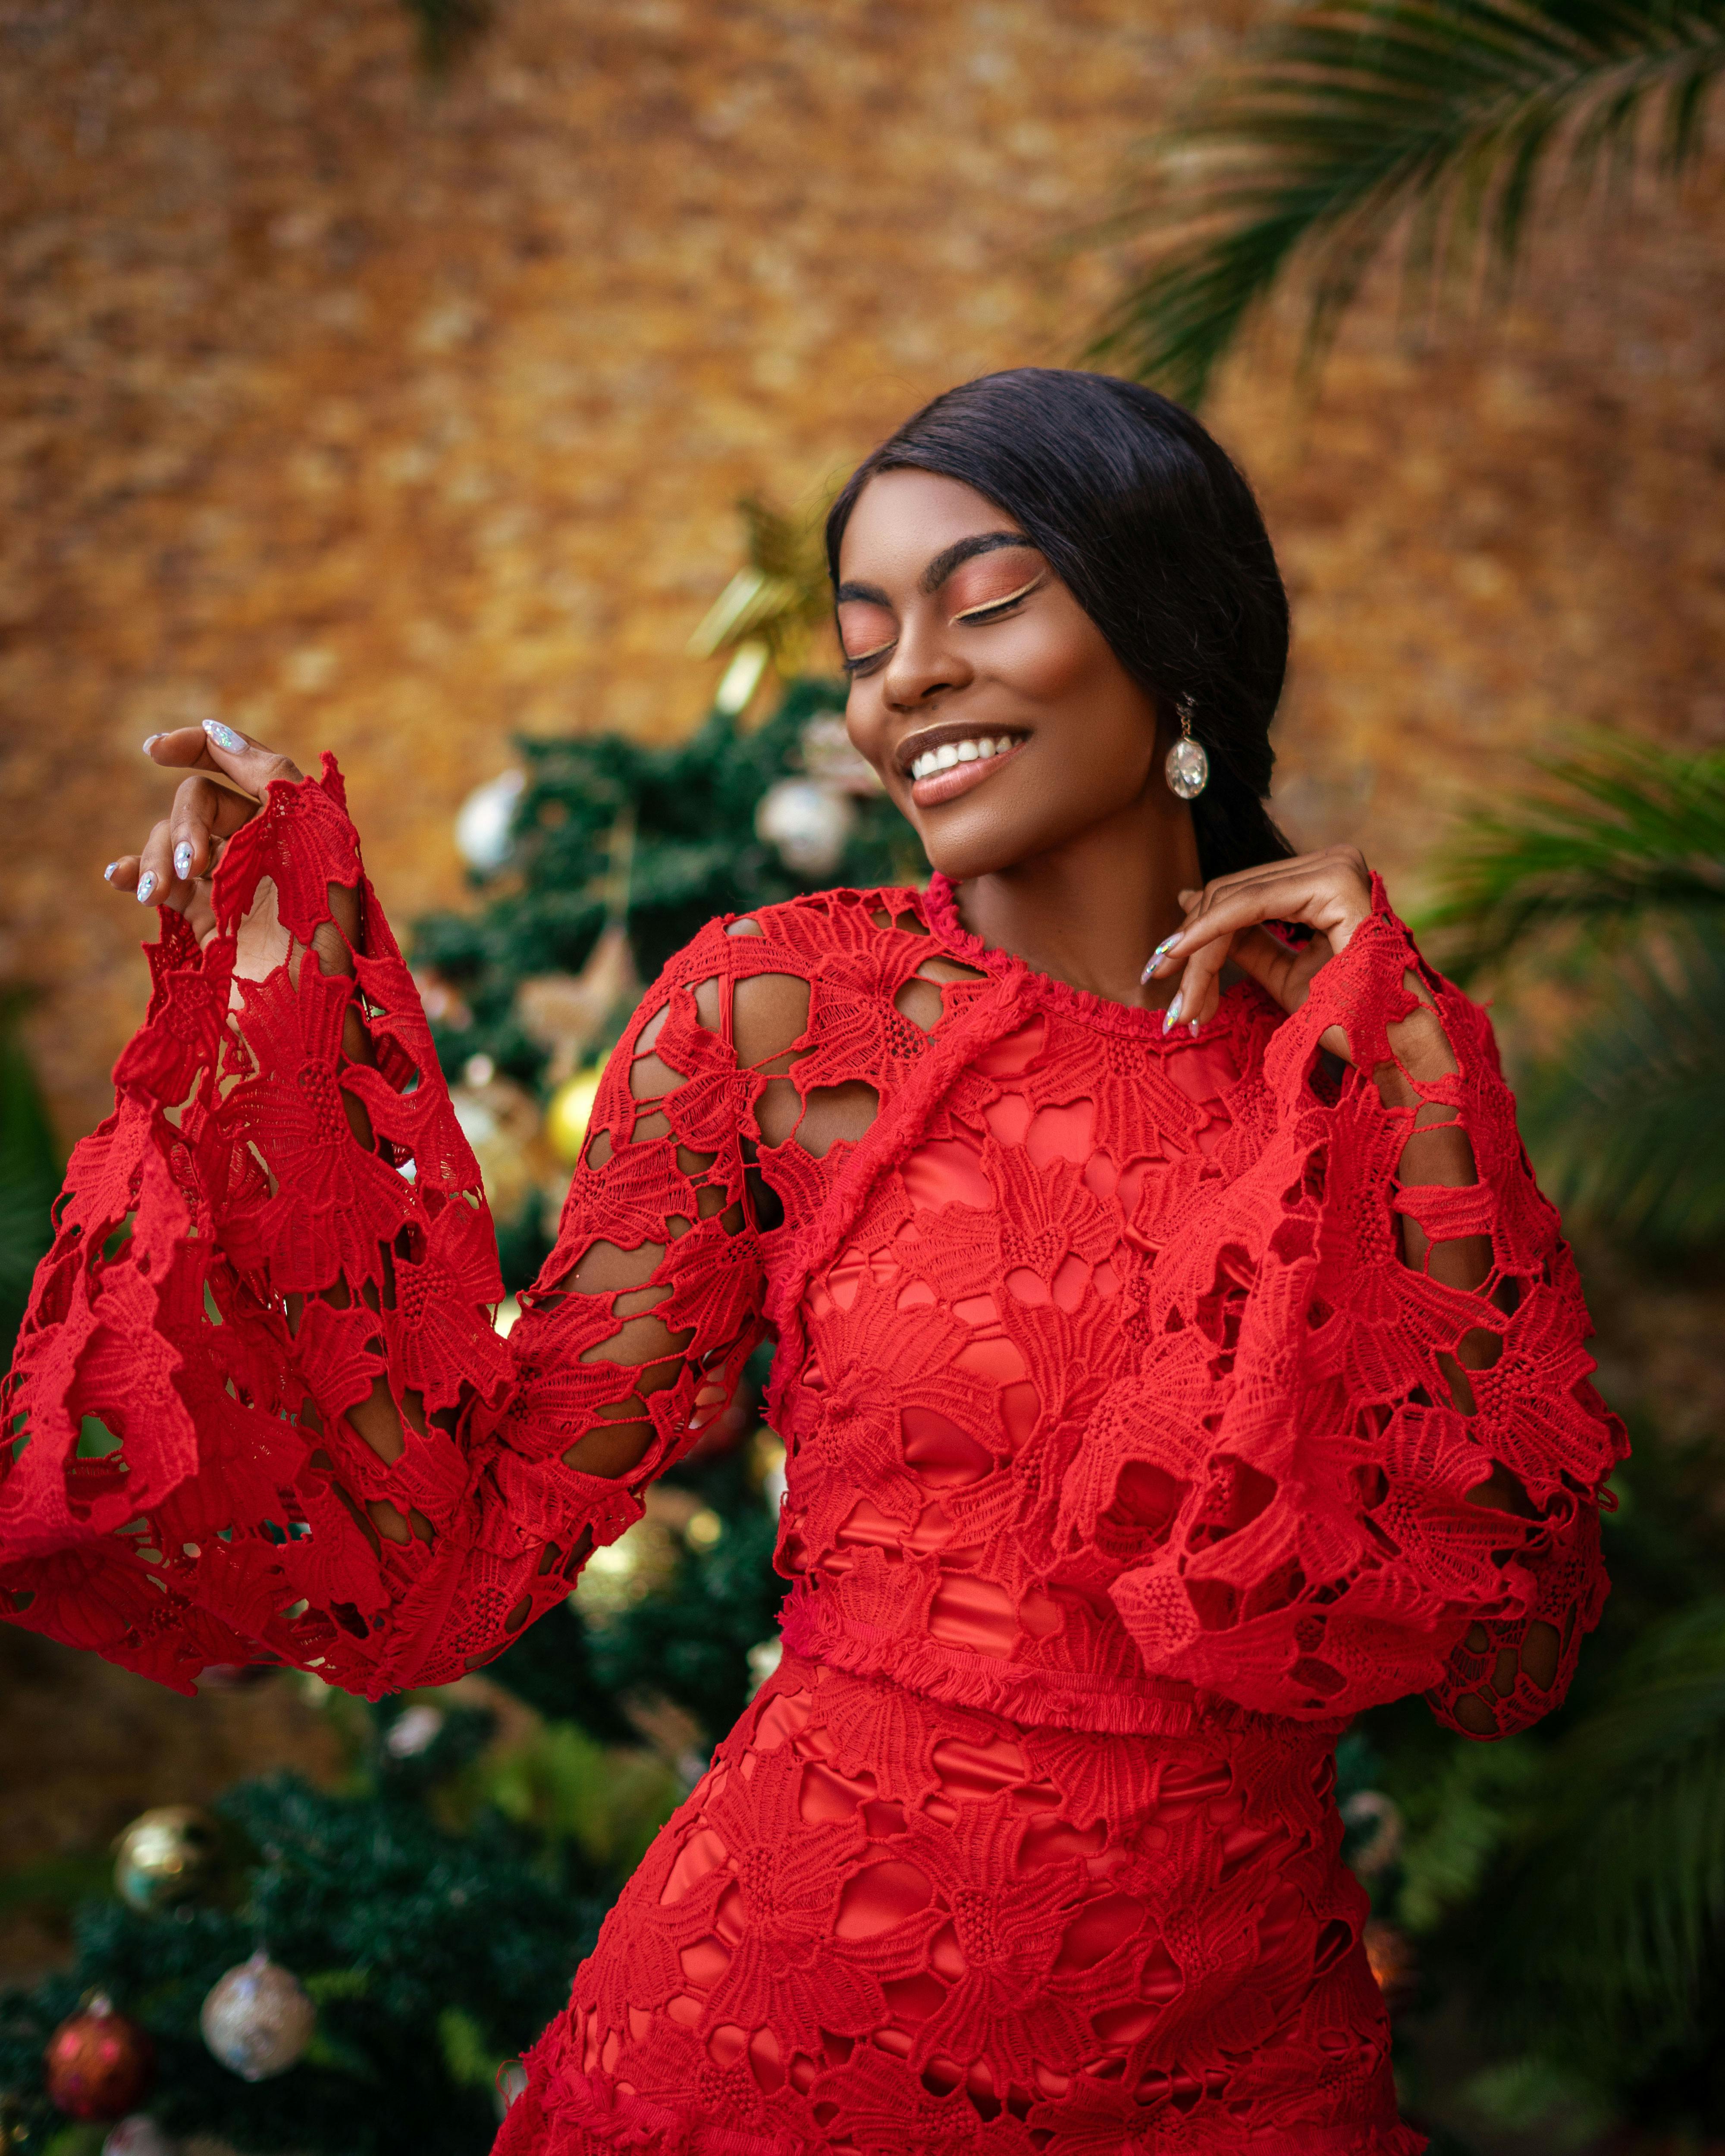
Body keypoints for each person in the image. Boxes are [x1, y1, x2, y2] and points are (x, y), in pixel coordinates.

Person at [1, 368, 1623, 2154]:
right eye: (864, 642)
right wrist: (273, 1001)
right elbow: (463, 1536)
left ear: (1175, 646)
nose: (902, 678)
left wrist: (1396, 1065)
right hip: (780, 2034)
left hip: (1243, 2066)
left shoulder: (1360, 1067)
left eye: (981, 601)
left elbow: (1492, 1630)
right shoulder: (777, 1013)